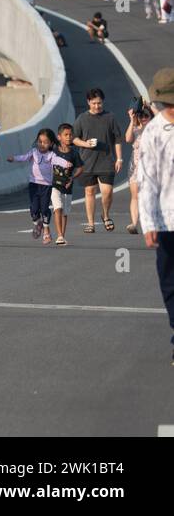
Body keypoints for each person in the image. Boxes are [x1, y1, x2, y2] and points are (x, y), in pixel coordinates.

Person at [135, 68, 174, 365]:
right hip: (166, 219)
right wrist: (148, 223)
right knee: (169, 281)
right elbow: (147, 180)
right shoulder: (153, 131)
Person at [7, 129, 72, 244]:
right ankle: (38, 223)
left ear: (51, 143)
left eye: (45, 142)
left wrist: (65, 163)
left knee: (44, 208)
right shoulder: (33, 152)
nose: (42, 144)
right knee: (34, 210)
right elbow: (24, 157)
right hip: (34, 185)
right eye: (40, 141)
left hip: (46, 186)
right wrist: (14, 159)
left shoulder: (51, 155)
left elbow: (57, 160)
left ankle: (46, 232)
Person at [73, 88, 124, 234]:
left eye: (99, 103)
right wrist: (85, 144)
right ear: (88, 102)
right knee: (89, 192)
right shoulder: (82, 118)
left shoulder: (110, 117)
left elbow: (117, 139)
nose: (97, 106)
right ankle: (90, 223)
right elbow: (75, 138)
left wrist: (119, 158)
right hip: (87, 162)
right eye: (94, 103)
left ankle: (105, 215)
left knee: (107, 192)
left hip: (106, 161)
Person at [50, 123, 84, 246]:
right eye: (66, 135)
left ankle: (62, 236)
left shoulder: (74, 152)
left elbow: (80, 168)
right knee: (57, 208)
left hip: (67, 186)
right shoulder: (53, 150)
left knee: (65, 212)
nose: (69, 137)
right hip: (54, 185)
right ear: (59, 137)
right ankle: (59, 235)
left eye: (70, 135)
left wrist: (72, 177)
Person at [126, 102, 154, 234]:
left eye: (146, 115)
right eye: (141, 115)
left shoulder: (157, 128)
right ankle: (134, 223)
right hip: (136, 167)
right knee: (135, 195)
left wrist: (150, 105)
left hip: (153, 168)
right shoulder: (136, 129)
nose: (143, 118)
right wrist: (132, 120)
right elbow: (127, 139)